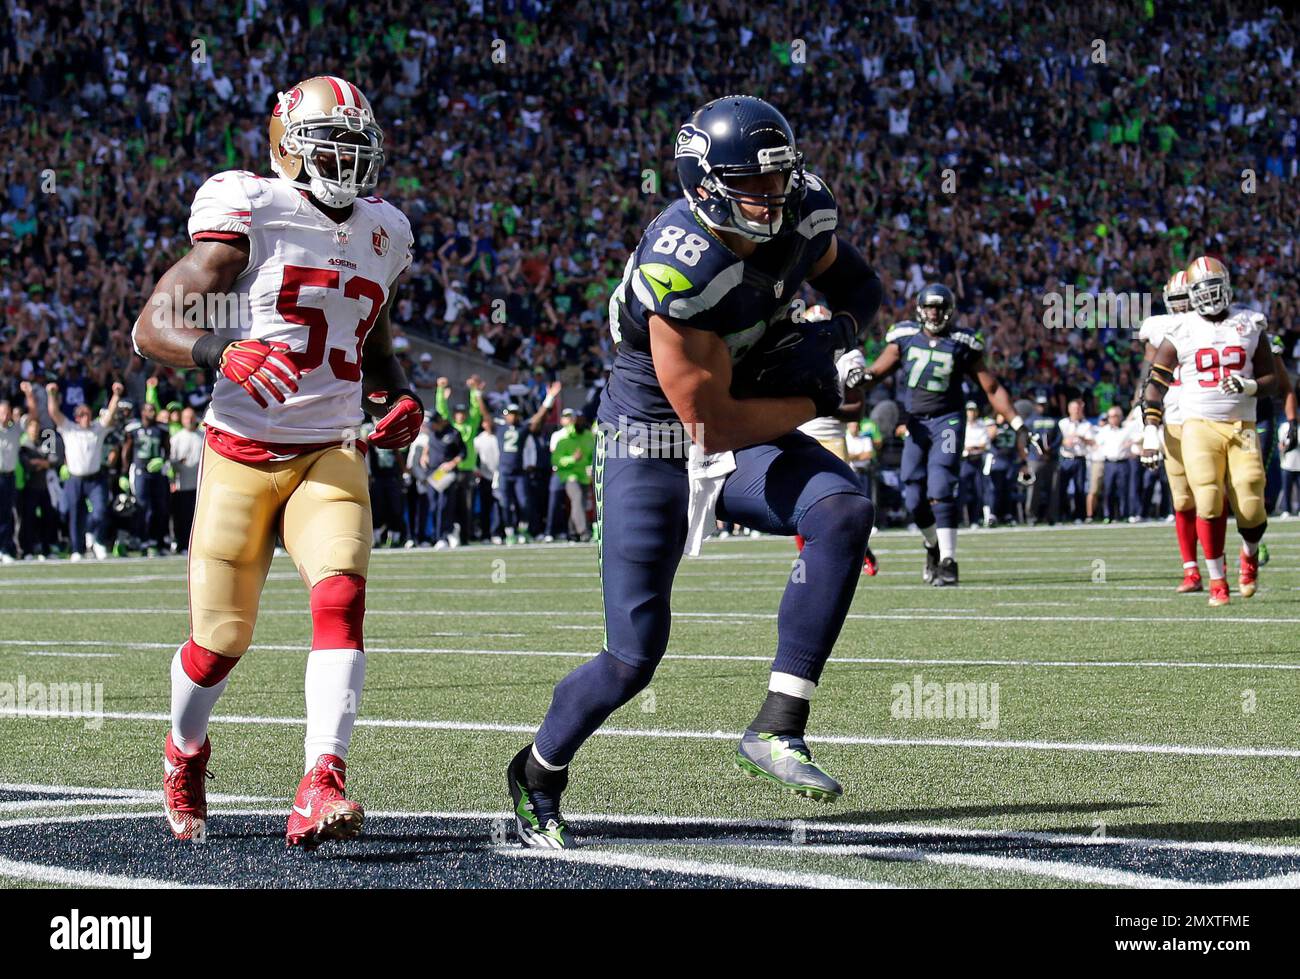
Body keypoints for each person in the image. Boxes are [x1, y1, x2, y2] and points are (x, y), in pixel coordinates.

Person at [507, 96, 881, 848]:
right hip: (652, 432)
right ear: (706, 185)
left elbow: (860, 290)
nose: (776, 199)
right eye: (755, 185)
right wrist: (815, 391)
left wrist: (835, 337)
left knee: (842, 509)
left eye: (781, 181)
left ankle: (779, 724)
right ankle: (538, 770)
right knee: (632, 656)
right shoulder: (682, 262)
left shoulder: (801, 210)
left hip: (742, 404)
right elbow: (705, 424)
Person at [131, 76, 424, 847]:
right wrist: (215, 350)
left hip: (330, 446)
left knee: (341, 599)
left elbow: (373, 336)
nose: (347, 161)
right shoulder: (250, 209)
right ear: (288, 145)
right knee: (219, 642)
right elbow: (151, 324)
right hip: (239, 453)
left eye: (358, 147)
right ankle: (185, 749)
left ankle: (321, 777)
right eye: (332, 144)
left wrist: (399, 396)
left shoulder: (386, 230)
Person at [860, 284, 1042, 585]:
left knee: (941, 483)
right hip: (917, 421)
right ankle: (932, 545)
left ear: (949, 310)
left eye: (939, 307)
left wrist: (1019, 425)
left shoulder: (962, 342)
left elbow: (992, 388)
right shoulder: (904, 337)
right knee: (914, 496)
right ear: (920, 309)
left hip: (948, 420)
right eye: (929, 307)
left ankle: (948, 560)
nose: (934, 313)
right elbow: (877, 372)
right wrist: (859, 376)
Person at [1141, 256, 1278, 606]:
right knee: (1206, 497)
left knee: (1250, 500)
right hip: (1196, 424)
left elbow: (1272, 379)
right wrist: (1151, 428)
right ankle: (1217, 580)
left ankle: (1249, 553)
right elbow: (1154, 383)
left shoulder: (1249, 322)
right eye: (1204, 290)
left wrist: (1248, 386)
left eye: (1216, 289)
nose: (1211, 297)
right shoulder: (1180, 328)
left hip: (1242, 425)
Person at [37, 380, 123, 560]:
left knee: (100, 510)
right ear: (77, 417)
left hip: (95, 478)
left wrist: (116, 395)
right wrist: (51, 394)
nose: (86, 417)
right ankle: (77, 549)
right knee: (74, 514)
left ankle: (94, 537)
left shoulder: (97, 429)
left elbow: (109, 415)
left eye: (88, 414)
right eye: (82, 415)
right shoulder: (69, 428)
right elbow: (54, 413)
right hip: (75, 478)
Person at [480, 381, 559, 544]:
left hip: (519, 472)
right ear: (505, 415)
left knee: (524, 502)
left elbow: (538, 418)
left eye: (515, 413)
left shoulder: (522, 428)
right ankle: (509, 531)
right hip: (503, 471)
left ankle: (523, 530)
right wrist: (477, 395)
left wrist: (549, 398)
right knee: (505, 503)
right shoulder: (500, 428)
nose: (513, 416)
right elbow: (486, 416)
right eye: (510, 413)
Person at [168, 407, 203, 553]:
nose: (189, 420)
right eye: (186, 417)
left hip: (200, 485)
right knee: (182, 517)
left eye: (191, 417)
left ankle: (198, 545)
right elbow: (171, 462)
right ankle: (182, 544)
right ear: (182, 420)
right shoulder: (176, 439)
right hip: (182, 485)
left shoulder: (203, 436)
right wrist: (172, 480)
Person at [1057, 399, 1095, 523]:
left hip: (1080, 458)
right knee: (1061, 488)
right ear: (1069, 409)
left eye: (1078, 409)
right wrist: (1064, 441)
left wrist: (1081, 438)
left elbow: (1093, 442)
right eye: (1074, 408)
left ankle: (1079, 515)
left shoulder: (1086, 424)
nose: (1076, 411)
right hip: (1066, 458)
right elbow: (1057, 439)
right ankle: (1063, 514)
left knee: (1080, 488)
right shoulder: (1062, 423)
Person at [0, 399, 18, 562]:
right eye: (2, 412)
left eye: (7, 412)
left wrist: (28, 394)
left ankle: (4, 549)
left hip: (8, 476)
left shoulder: (15, 430)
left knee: (6, 514)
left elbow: (33, 416)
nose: (5, 416)